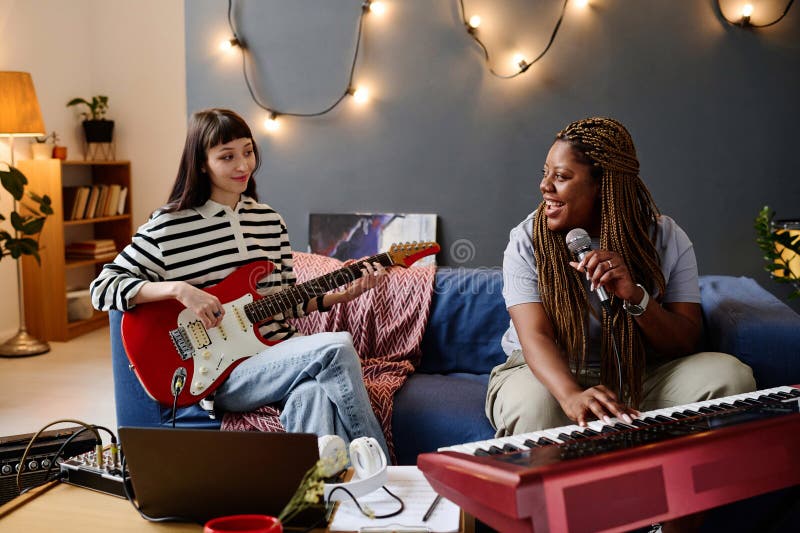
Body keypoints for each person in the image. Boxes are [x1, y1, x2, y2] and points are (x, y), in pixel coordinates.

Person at [90, 108, 390, 459]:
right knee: (336, 347)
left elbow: (286, 302)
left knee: (313, 395)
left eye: (247, 152)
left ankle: (319, 501)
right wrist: (180, 290)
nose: (242, 165)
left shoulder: (268, 221)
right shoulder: (169, 226)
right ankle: (383, 472)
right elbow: (102, 287)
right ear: (201, 163)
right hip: (224, 373)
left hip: (280, 354)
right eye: (227, 157)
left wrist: (338, 296)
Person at [486, 116, 756, 438]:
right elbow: (536, 337)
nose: (545, 186)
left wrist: (636, 296)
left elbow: (685, 339)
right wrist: (570, 395)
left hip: (639, 371)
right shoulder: (527, 239)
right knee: (536, 407)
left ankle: (682, 483)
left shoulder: (666, 237)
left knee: (729, 377)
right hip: (547, 375)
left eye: (561, 177)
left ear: (602, 186)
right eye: (545, 174)